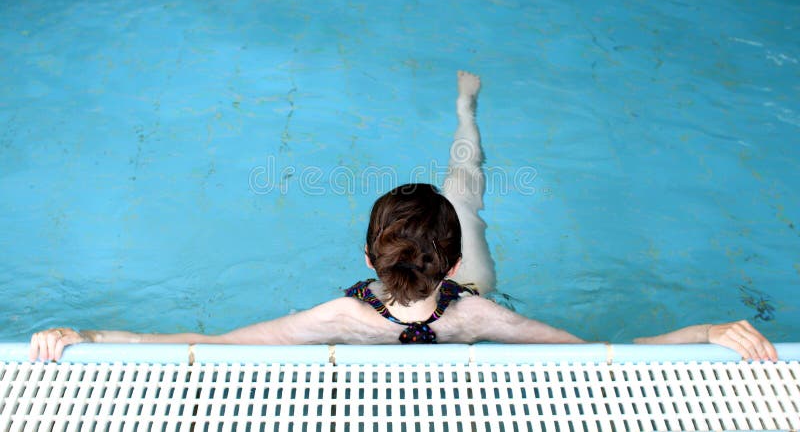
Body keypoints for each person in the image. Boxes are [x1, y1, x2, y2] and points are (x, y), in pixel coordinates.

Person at [29, 72, 778, 362]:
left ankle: (462, 109)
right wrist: (711, 331)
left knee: (462, 196)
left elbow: (205, 343)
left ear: (366, 258)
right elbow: (624, 351)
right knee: (467, 191)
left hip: (403, 301)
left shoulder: (337, 317)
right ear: (450, 267)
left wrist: (87, 334)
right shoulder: (487, 316)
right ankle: (465, 109)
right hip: (477, 300)